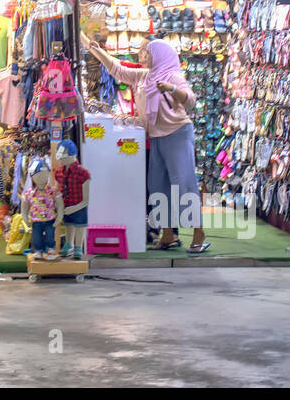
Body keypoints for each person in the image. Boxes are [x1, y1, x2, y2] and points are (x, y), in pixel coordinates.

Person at [82, 32, 208, 254]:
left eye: (146, 52)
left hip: (177, 134)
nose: (142, 54)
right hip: (155, 136)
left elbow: (190, 100)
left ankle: (199, 233)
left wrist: (170, 89)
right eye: (141, 51)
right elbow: (118, 70)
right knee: (158, 186)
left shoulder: (173, 76)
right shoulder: (144, 77)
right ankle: (167, 234)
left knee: (183, 183)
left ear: (159, 55)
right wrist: (96, 50)